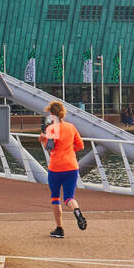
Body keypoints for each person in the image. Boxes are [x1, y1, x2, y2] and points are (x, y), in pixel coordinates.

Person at [43, 100, 87, 238]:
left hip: (56, 168)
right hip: (72, 167)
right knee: (69, 198)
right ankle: (76, 210)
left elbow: (50, 147)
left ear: (51, 114)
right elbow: (80, 145)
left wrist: (42, 140)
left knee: (55, 197)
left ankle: (59, 229)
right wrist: (69, 150)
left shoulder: (51, 128)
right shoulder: (71, 127)